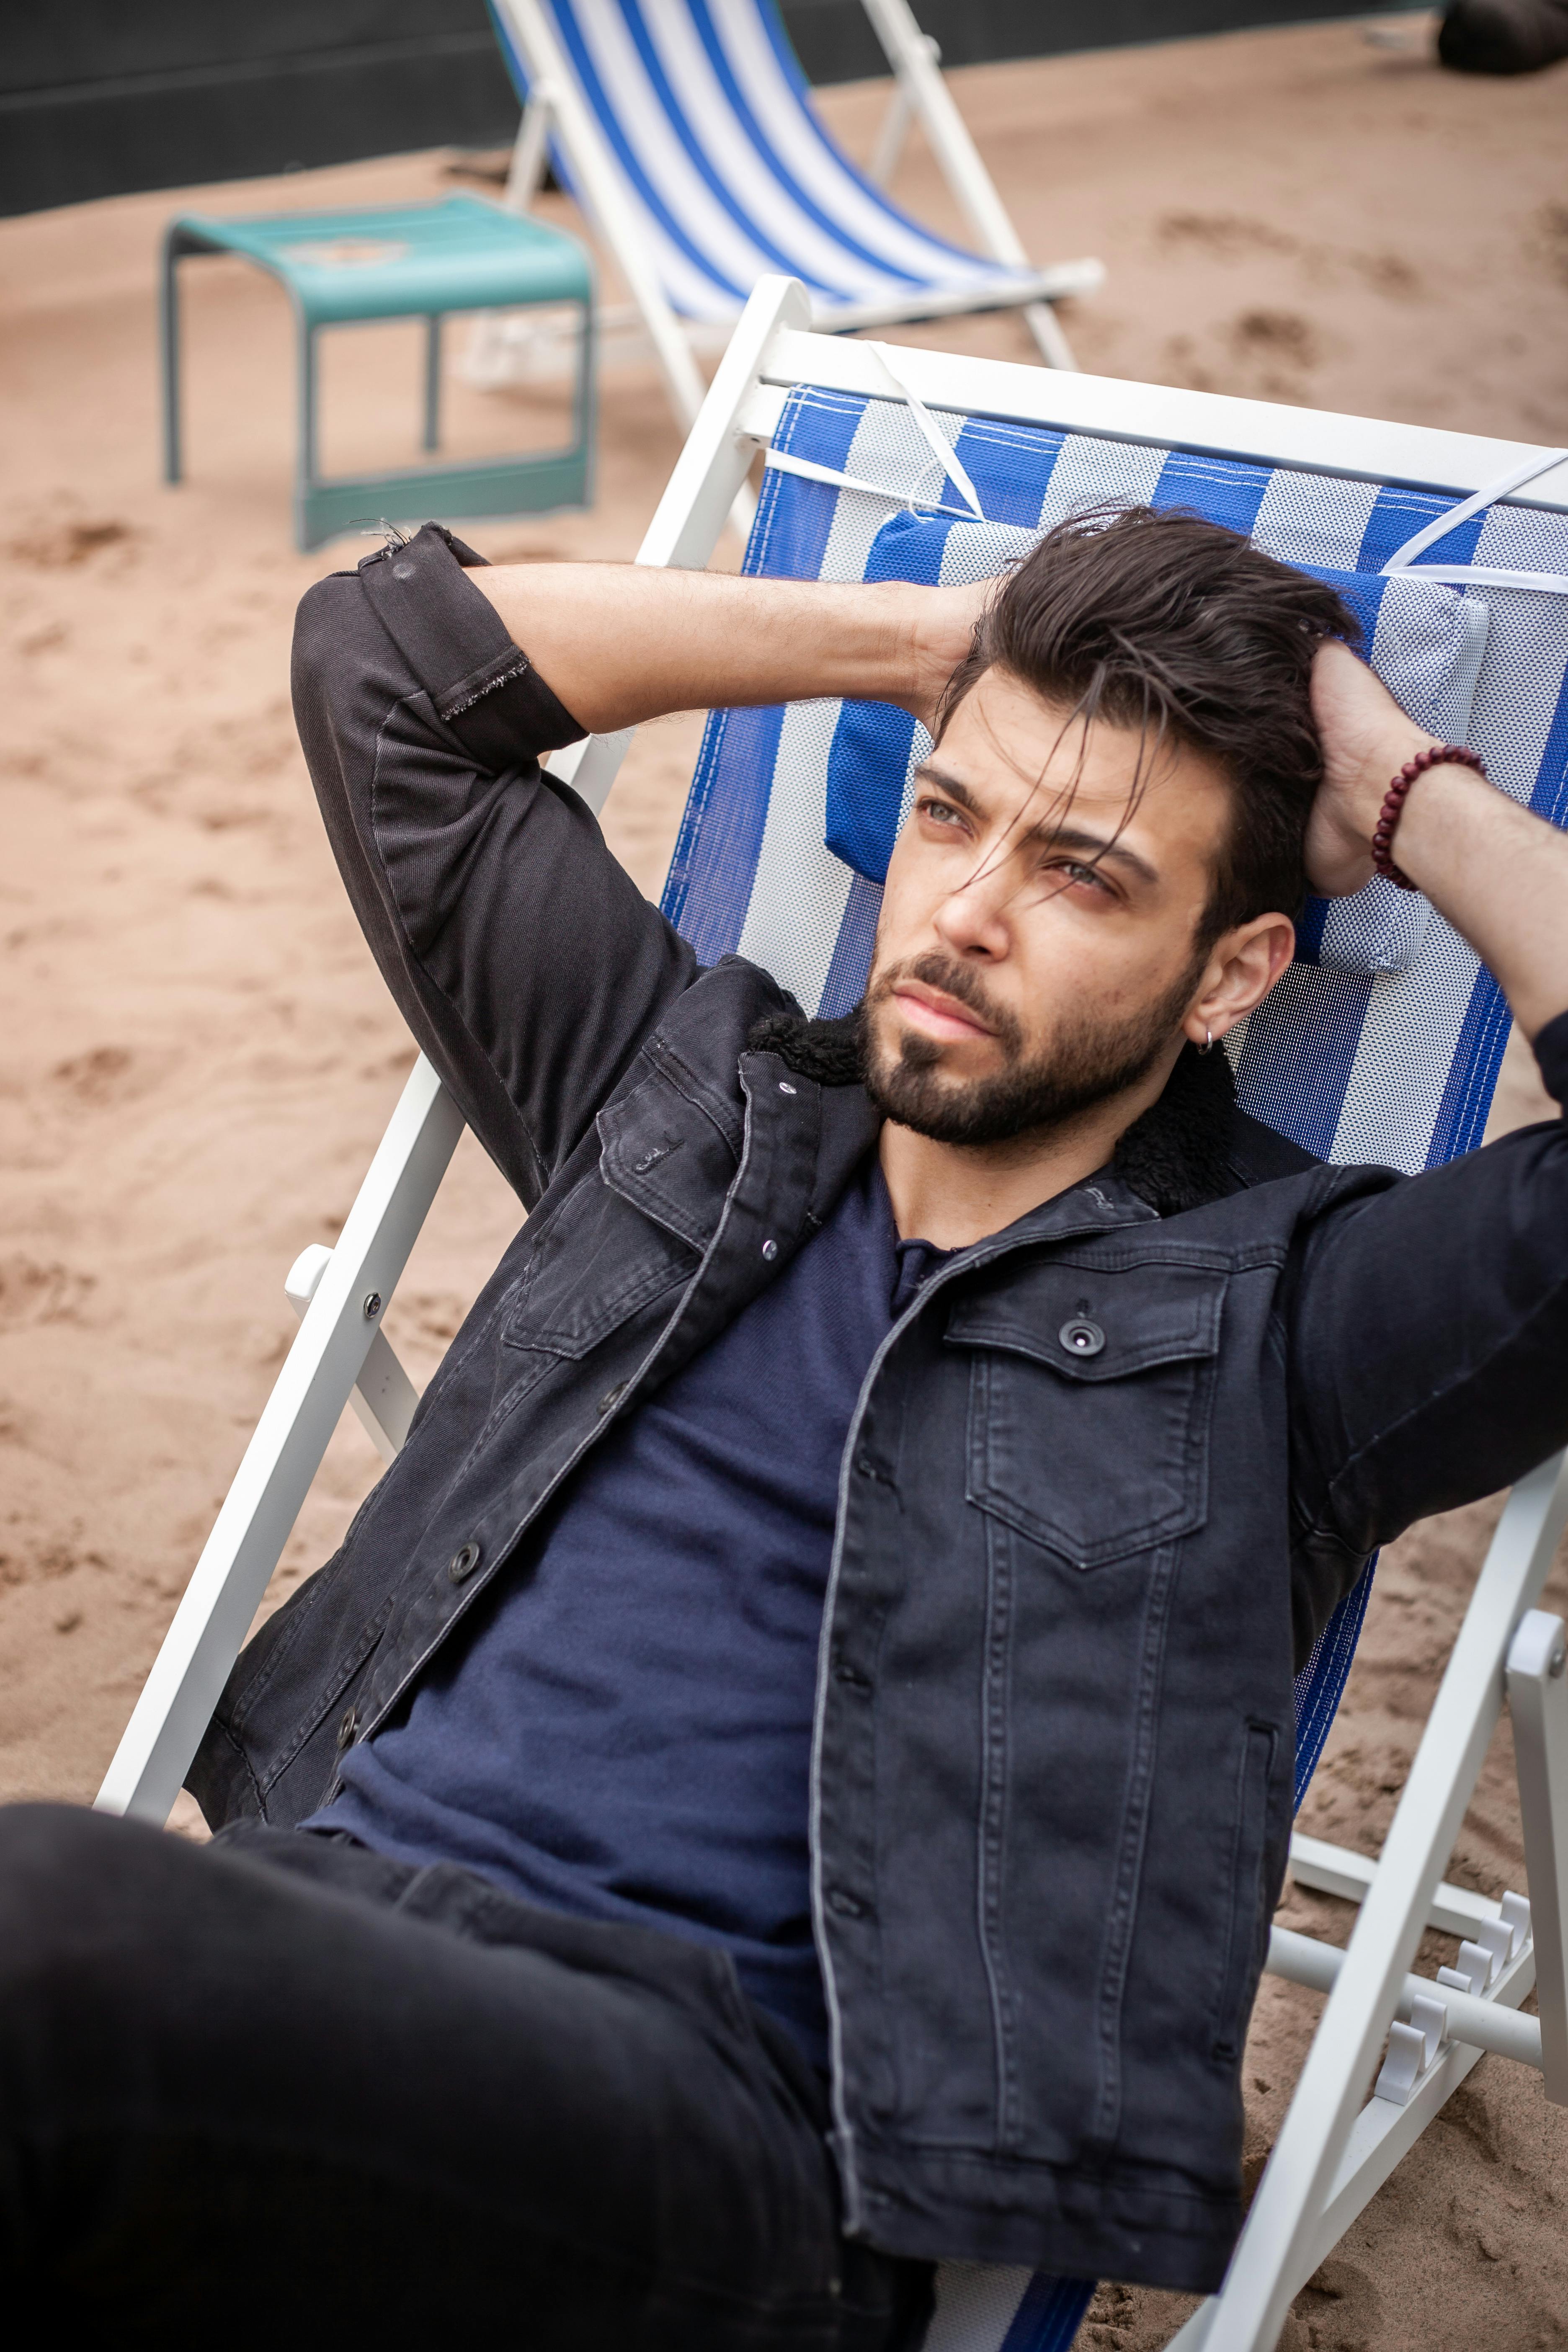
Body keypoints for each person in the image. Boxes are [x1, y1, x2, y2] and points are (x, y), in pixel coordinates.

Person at [6, 507, 1568, 2343]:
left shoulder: (1282, 1318)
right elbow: (383, 663)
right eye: (948, 815)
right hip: (308, 1957)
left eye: (1082, 875)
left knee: (50, 1934)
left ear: (1231, 973)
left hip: (699, 2131)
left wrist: (1408, 794)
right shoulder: (683, 1101)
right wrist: (924, 644)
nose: (965, 912)